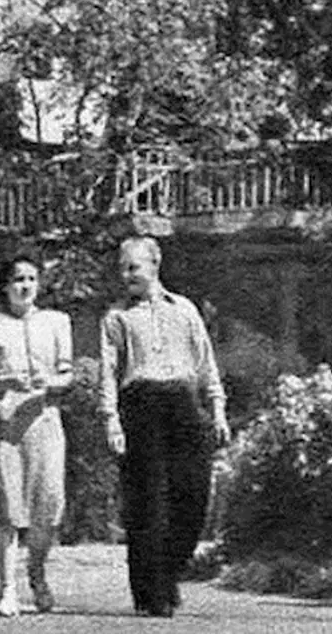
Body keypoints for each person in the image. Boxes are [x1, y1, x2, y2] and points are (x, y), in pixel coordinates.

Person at [99, 237, 230, 619]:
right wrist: (112, 421)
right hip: (140, 406)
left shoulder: (185, 310)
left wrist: (218, 410)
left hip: (184, 405)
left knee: (193, 498)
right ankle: (150, 594)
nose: (126, 276)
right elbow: (109, 373)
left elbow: (206, 365)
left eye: (134, 267)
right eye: (122, 268)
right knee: (147, 505)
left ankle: (169, 573)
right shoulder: (116, 317)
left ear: (155, 265)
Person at [0, 253, 73, 617]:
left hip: (43, 423)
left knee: (47, 507)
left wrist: (51, 382)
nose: (25, 286)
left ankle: (37, 573)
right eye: (17, 279)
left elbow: (68, 375)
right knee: (5, 507)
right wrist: (6, 382)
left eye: (31, 279)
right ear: (4, 286)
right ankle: (7, 586)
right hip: (3, 425)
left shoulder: (57, 321)